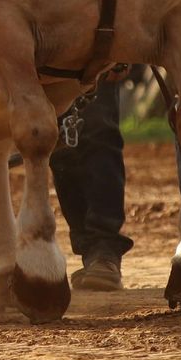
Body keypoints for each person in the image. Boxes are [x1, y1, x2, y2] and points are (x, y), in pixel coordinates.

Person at [50, 82, 132, 291]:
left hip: (96, 57)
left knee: (99, 126)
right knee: (61, 140)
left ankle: (104, 248)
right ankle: (90, 248)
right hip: (46, 59)